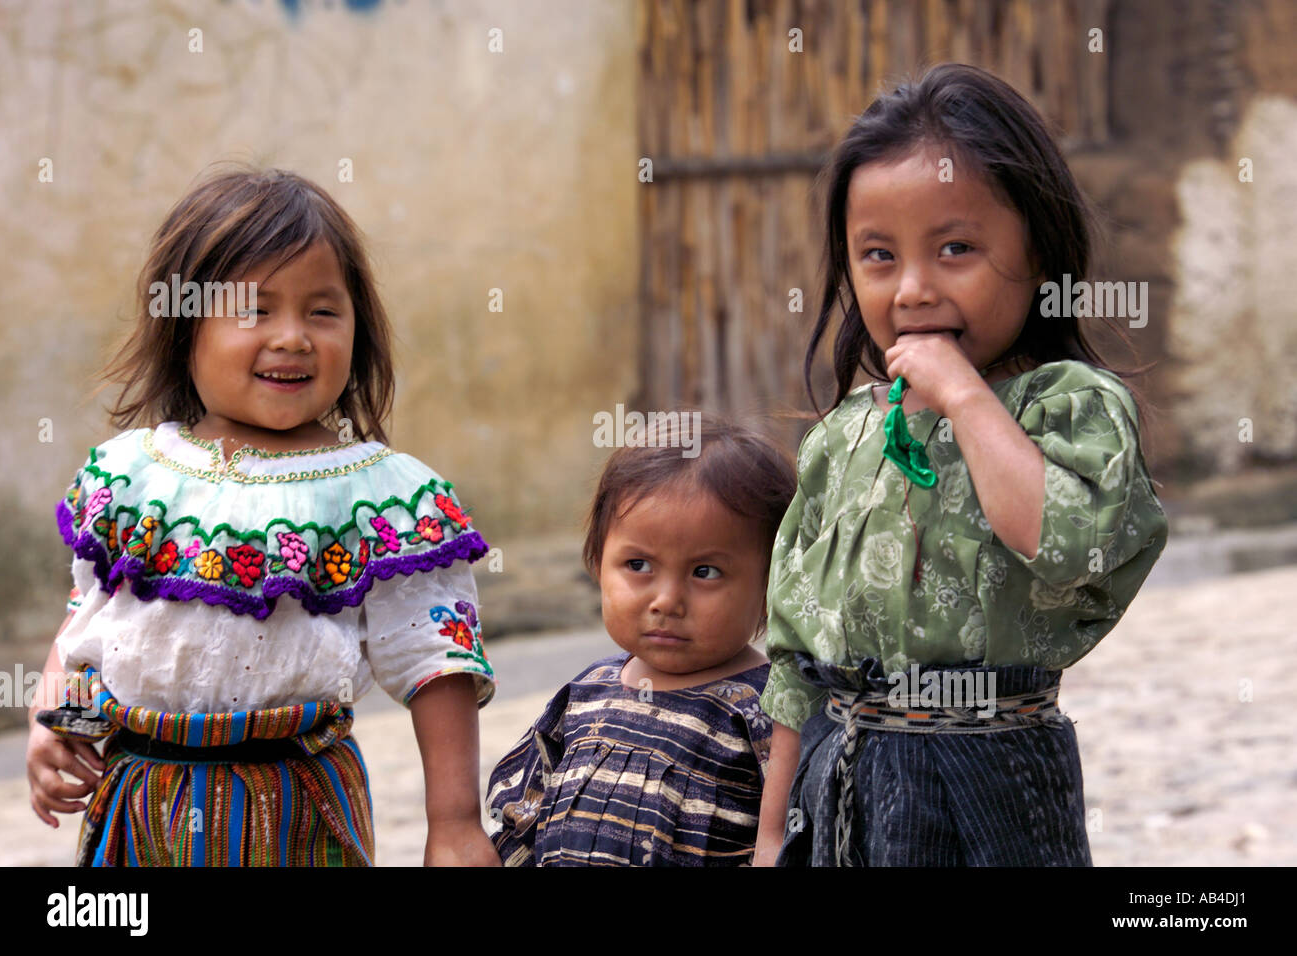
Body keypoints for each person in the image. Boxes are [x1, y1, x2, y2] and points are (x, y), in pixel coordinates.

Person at [752, 63, 1169, 867]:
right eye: (877, 255)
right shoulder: (841, 439)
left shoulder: (1067, 409)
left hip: (994, 780)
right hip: (837, 780)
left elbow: (1058, 540)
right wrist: (772, 837)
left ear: (1042, 253)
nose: (912, 289)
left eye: (955, 248)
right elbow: (795, 660)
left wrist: (968, 400)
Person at [26, 165, 499, 866]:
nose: (292, 337)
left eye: (321, 310)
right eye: (255, 309)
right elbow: (90, 616)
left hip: (294, 810)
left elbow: (436, 661)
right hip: (139, 806)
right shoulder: (133, 475)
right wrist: (52, 719)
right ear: (185, 326)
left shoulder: (380, 498)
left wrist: (455, 826)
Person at [487, 415, 795, 865]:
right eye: (638, 565)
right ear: (596, 561)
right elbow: (522, 819)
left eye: (705, 572)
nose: (667, 601)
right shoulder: (584, 695)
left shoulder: (769, 712)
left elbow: (794, 838)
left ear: (772, 585)